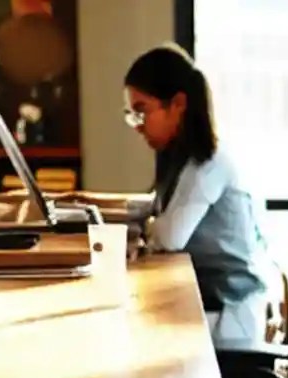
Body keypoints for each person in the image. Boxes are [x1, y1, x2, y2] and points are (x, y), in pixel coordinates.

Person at [117, 44, 274, 343]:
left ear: (178, 104)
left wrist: (145, 228)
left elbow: (170, 236)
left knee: (132, 336)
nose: (137, 126)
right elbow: (160, 214)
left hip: (227, 313)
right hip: (208, 300)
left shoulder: (208, 163)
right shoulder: (182, 158)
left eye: (142, 112)